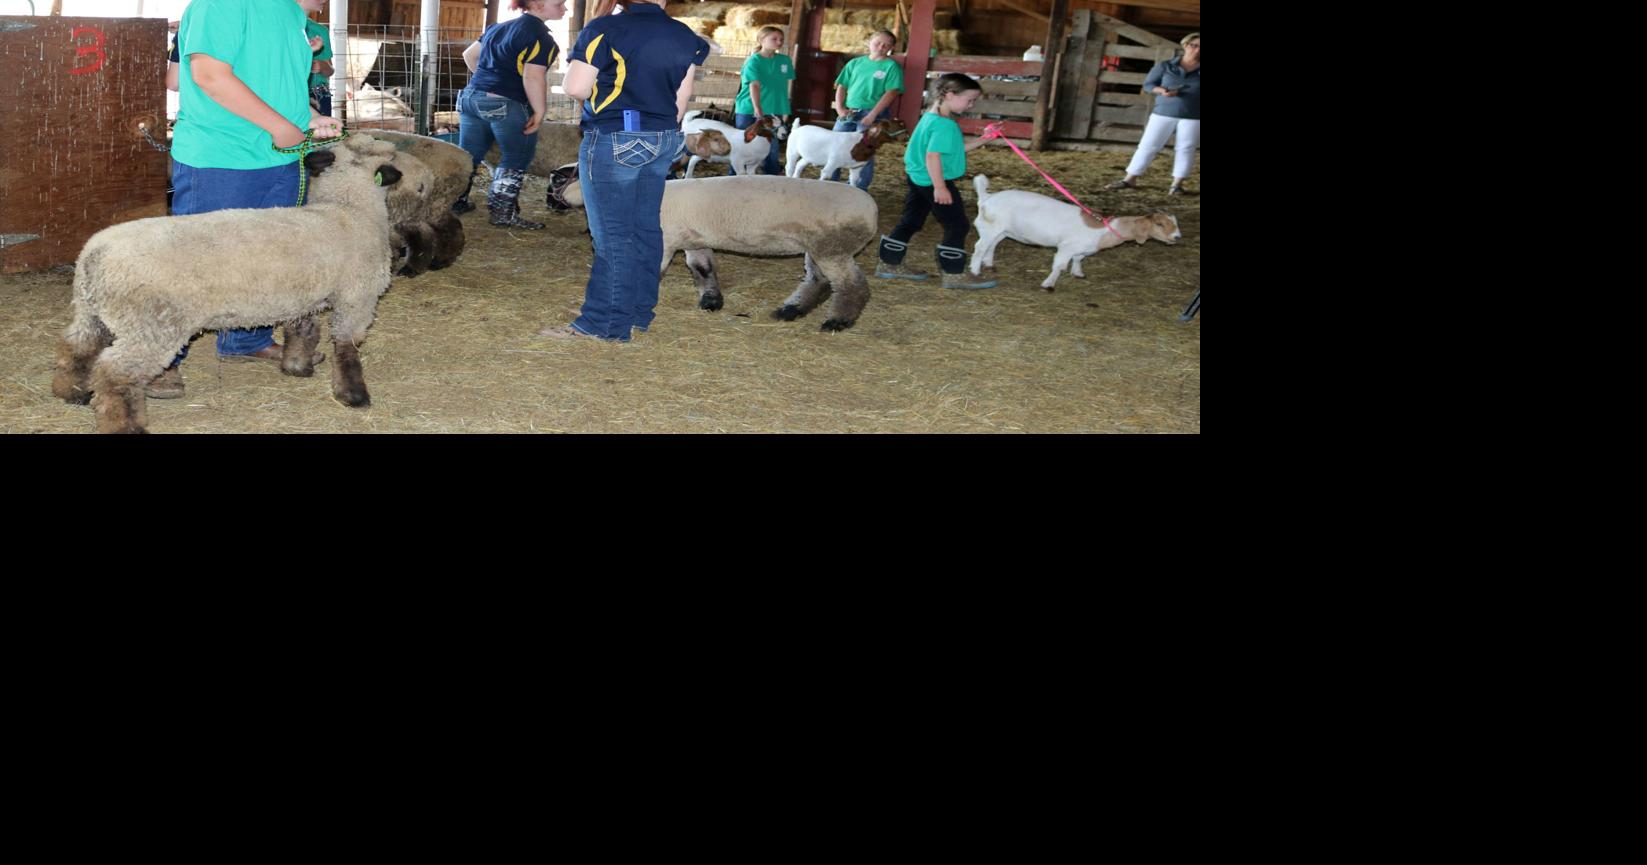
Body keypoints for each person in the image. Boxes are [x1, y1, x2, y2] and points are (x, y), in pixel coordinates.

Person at [152, 0, 345, 399]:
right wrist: (279, 126)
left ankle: (245, 339)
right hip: (223, 157)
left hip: (278, 157)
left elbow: (278, 83)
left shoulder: (291, 13)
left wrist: (308, 116)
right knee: (198, 262)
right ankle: (159, 359)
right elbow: (209, 76)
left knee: (267, 258)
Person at [538, 0, 707, 342]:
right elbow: (682, 96)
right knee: (645, 228)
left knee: (612, 236)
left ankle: (602, 323)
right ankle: (636, 314)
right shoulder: (685, 35)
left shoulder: (605, 29)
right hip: (664, 138)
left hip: (616, 137)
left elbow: (575, 87)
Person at [874, 72, 998, 290]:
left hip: (918, 177)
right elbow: (933, 156)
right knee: (957, 224)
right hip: (933, 180)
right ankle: (954, 274)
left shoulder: (930, 118)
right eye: (969, 100)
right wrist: (940, 187)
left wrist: (984, 139)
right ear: (949, 95)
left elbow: (949, 150)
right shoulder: (944, 125)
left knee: (911, 220)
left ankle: (889, 263)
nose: (970, 105)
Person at [455, 0, 565, 227]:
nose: (565, 9)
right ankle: (503, 214)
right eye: (559, 4)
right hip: (504, 103)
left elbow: (469, 55)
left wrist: (489, 83)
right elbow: (532, 77)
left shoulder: (497, 28)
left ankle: (455, 201)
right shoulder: (542, 39)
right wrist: (539, 111)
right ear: (538, 5)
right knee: (517, 156)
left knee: (468, 155)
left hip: (470, 98)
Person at [1107, 32, 1198, 196]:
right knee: (1148, 144)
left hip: (1194, 114)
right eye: (1194, 45)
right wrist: (1162, 91)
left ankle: (1177, 184)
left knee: (1186, 148)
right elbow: (1149, 85)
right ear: (1185, 45)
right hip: (1163, 112)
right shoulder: (1166, 66)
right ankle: (1130, 179)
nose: (1197, 50)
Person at [830, 29, 903, 190]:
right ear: (868, 43)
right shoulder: (855, 63)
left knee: (864, 150)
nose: (881, 47)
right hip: (849, 112)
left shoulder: (891, 66)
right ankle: (830, 182)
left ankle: (858, 188)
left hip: (873, 113)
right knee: (836, 144)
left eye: (886, 45)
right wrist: (840, 109)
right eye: (877, 43)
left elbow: (891, 92)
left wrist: (873, 114)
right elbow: (842, 86)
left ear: (891, 48)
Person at [732, 25, 793, 176]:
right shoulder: (753, 61)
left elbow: (784, 85)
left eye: (781, 39)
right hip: (749, 108)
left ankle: (771, 175)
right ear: (761, 40)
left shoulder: (784, 61)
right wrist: (757, 108)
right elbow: (754, 85)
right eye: (774, 39)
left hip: (774, 109)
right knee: (743, 143)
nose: (779, 42)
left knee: (771, 146)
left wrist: (785, 109)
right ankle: (733, 176)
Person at [302, 0, 335, 117]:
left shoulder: (320, 31)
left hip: (319, 95)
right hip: (295, 93)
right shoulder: (284, 29)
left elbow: (330, 71)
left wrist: (322, 66)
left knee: (323, 133)